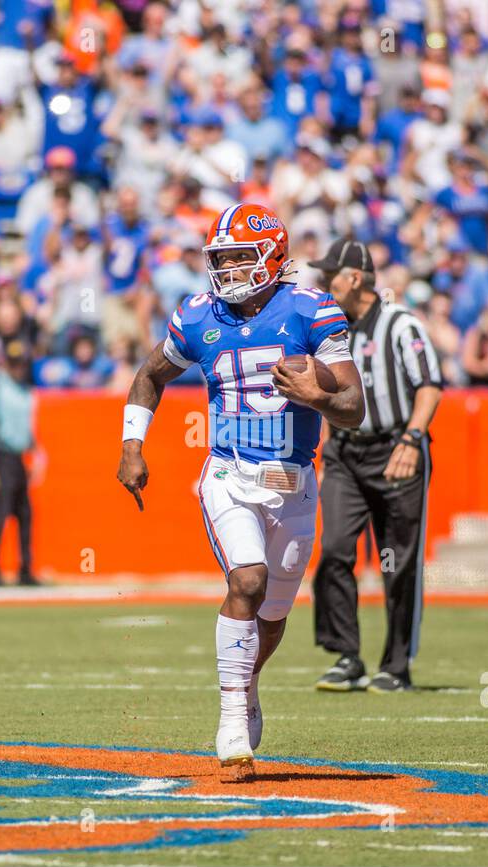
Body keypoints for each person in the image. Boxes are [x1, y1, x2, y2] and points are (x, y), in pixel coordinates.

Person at [116, 203, 364, 780]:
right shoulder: (200, 315)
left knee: (273, 616)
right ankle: (231, 721)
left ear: (271, 257)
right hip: (228, 473)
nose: (226, 270)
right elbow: (150, 374)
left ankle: (247, 685)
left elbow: (353, 406)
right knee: (246, 580)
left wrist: (319, 397)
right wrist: (132, 444)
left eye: (238, 258)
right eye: (219, 259)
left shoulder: (311, 308)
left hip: (295, 481)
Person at [309, 238, 443, 694]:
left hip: (395, 449)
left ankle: (397, 665)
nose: (323, 286)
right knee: (334, 549)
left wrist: (412, 438)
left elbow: (429, 386)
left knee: (399, 562)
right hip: (345, 452)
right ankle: (347, 656)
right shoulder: (331, 331)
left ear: (353, 279)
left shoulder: (402, 324)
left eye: (329, 277)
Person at [0, 337, 39, 587]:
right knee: (0, 516)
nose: (18, 368)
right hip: (1, 456)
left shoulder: (24, 389)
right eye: (14, 364)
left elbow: (25, 427)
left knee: (25, 515)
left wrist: (37, 452)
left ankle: (25, 570)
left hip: (18, 457)